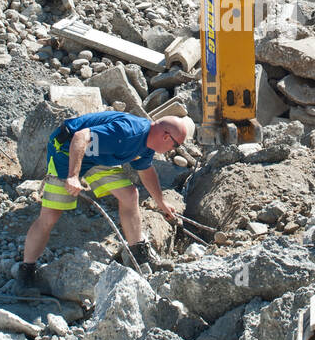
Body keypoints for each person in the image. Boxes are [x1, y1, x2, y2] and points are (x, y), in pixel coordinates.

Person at [16, 111, 194, 290]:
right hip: (67, 151)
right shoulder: (128, 132)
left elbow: (146, 171)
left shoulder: (147, 145)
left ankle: (138, 255)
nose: (173, 149)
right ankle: (26, 271)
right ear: (165, 136)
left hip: (97, 156)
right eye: (176, 145)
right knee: (50, 216)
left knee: (130, 195)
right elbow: (81, 136)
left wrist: (160, 202)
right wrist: (73, 176)